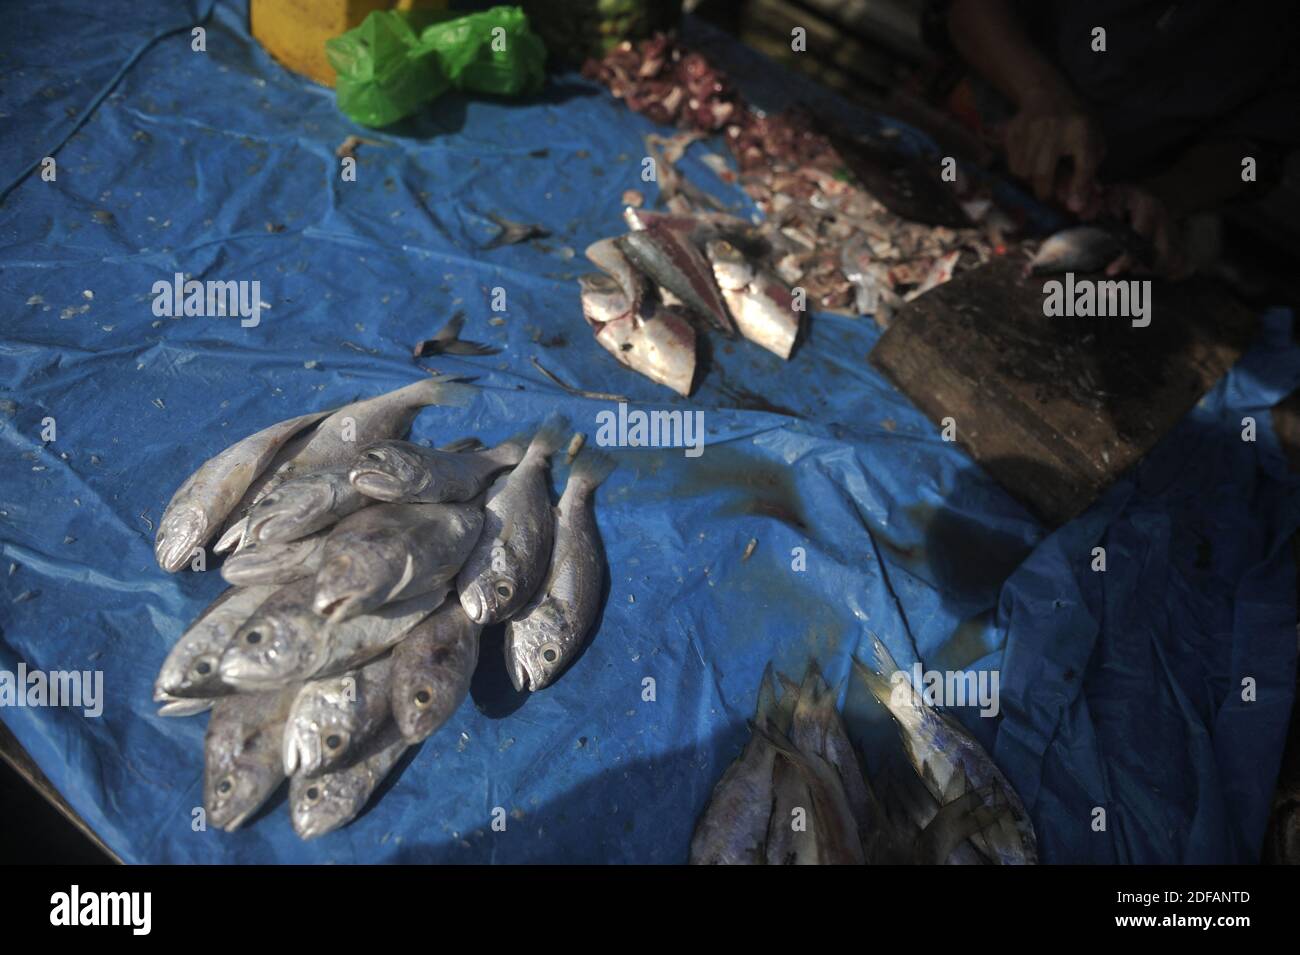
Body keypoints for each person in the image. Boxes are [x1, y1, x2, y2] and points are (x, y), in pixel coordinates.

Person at [935, 0, 1300, 277]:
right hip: (971, 129)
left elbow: (1256, 155)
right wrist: (1039, 92)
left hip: (1120, 211)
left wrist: (1173, 192)